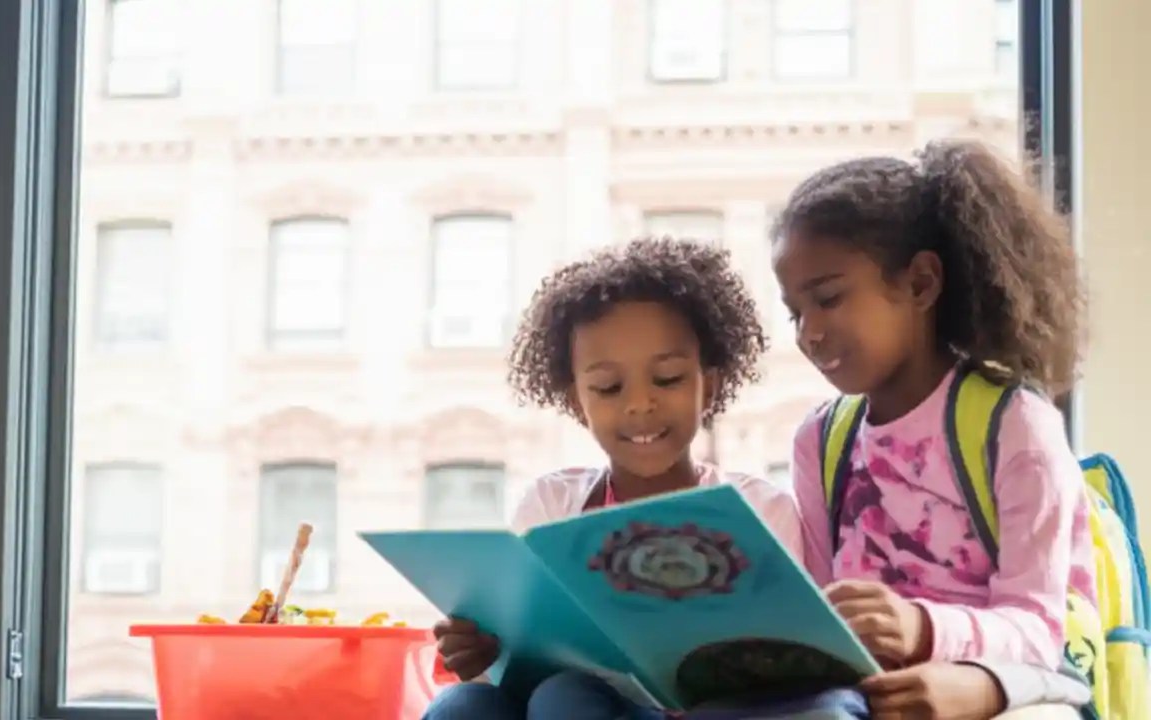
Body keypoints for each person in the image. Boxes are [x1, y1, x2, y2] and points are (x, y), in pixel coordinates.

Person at [424, 237, 840, 719]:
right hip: (561, 701)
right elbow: (513, 666)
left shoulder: (761, 509)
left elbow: (790, 665)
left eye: (667, 379)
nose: (640, 404)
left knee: (565, 700)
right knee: (465, 704)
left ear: (712, 385)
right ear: (578, 401)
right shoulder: (551, 505)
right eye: (608, 387)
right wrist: (480, 652)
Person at [772, 139, 1097, 719]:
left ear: (921, 283)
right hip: (863, 699)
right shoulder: (820, 443)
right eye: (796, 311)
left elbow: (1040, 628)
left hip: (1007, 690)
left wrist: (921, 631)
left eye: (828, 298)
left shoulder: (1016, 427)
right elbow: (822, 619)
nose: (809, 333)